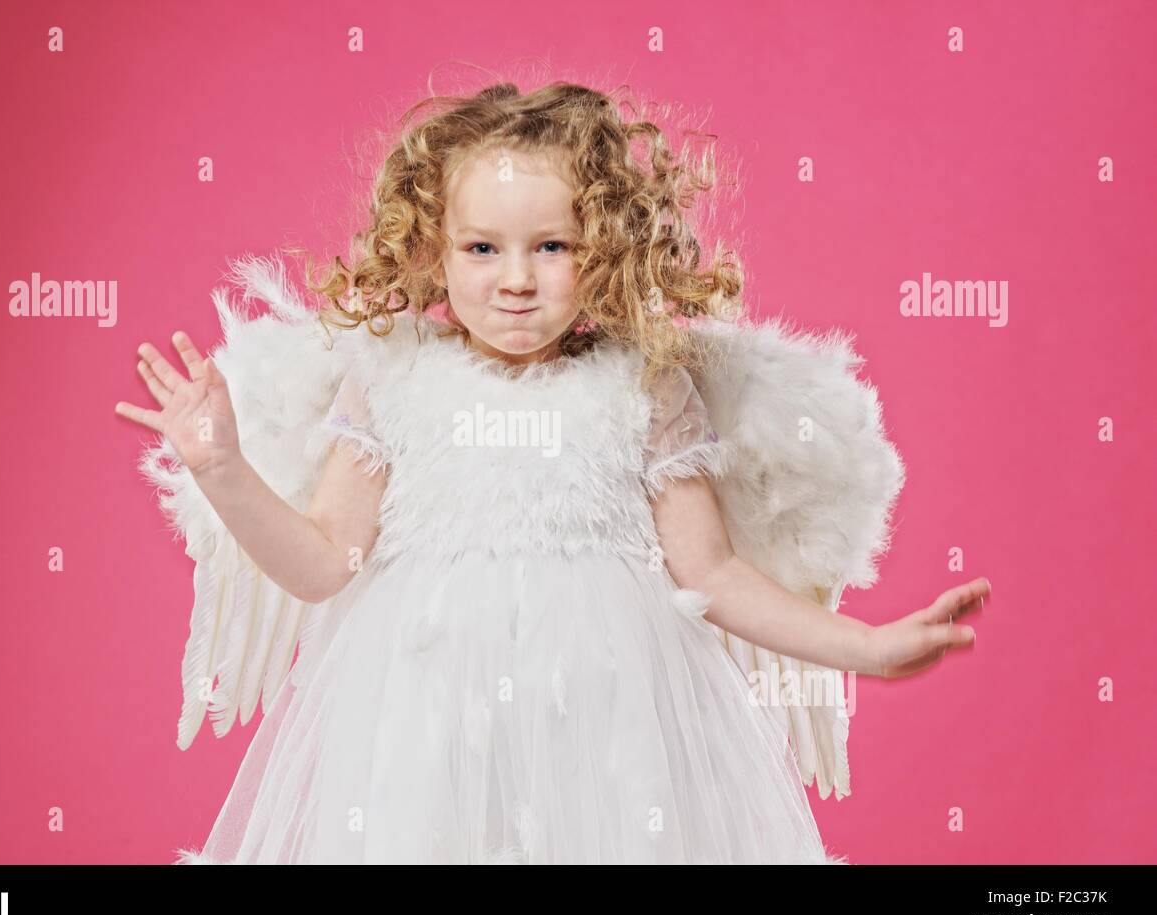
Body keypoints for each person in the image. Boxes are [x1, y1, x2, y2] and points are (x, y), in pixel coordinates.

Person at [115, 81, 989, 863]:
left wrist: (868, 647)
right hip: (429, 740)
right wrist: (222, 467)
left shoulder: (643, 383)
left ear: (605, 247)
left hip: (604, 741)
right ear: (432, 249)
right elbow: (321, 561)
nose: (517, 281)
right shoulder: (392, 377)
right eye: (482, 249)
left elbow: (715, 574)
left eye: (554, 246)